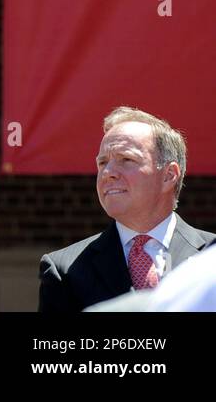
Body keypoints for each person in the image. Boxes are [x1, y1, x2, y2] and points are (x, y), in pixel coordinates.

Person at [39, 106, 214, 311]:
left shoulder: (211, 257)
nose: (108, 173)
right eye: (102, 163)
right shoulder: (64, 269)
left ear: (169, 175)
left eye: (126, 160)